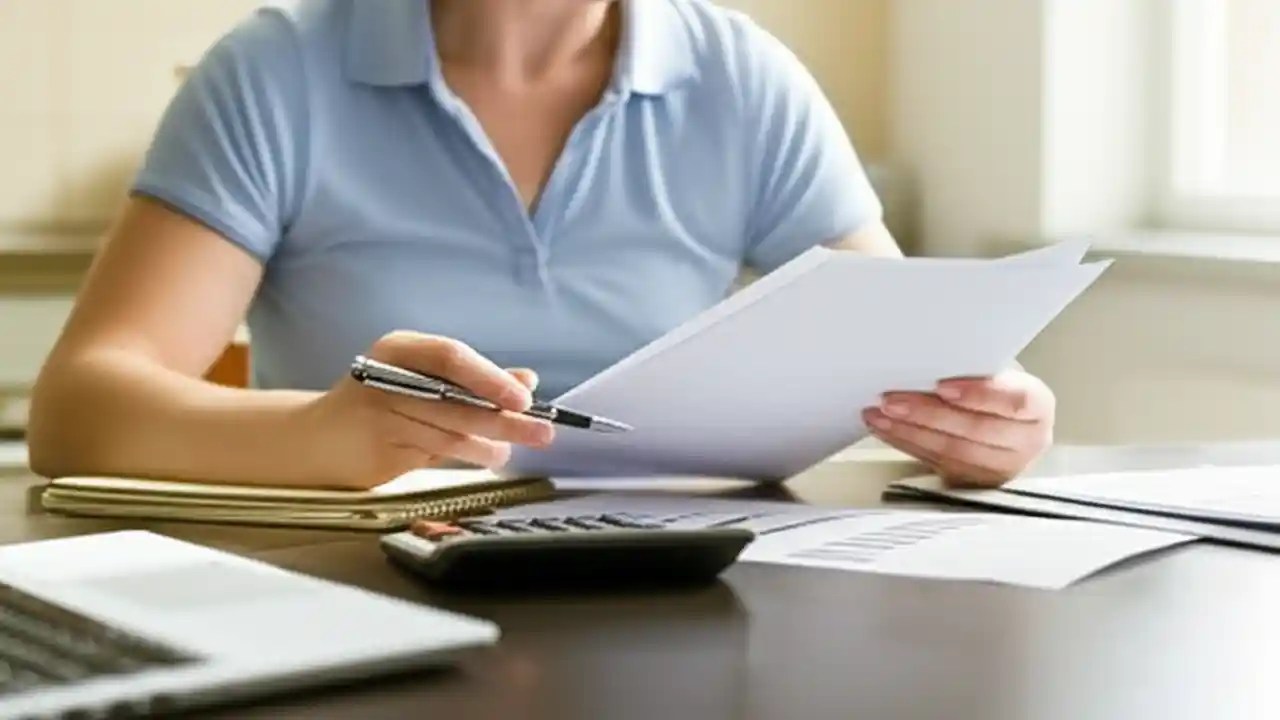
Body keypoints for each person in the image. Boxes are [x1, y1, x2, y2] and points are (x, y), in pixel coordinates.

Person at [28, 0, 1055, 490]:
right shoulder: (272, 73)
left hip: (685, 595)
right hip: (368, 582)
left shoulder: (743, 78)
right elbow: (79, 409)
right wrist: (316, 435)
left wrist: (994, 415)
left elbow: (906, 345)